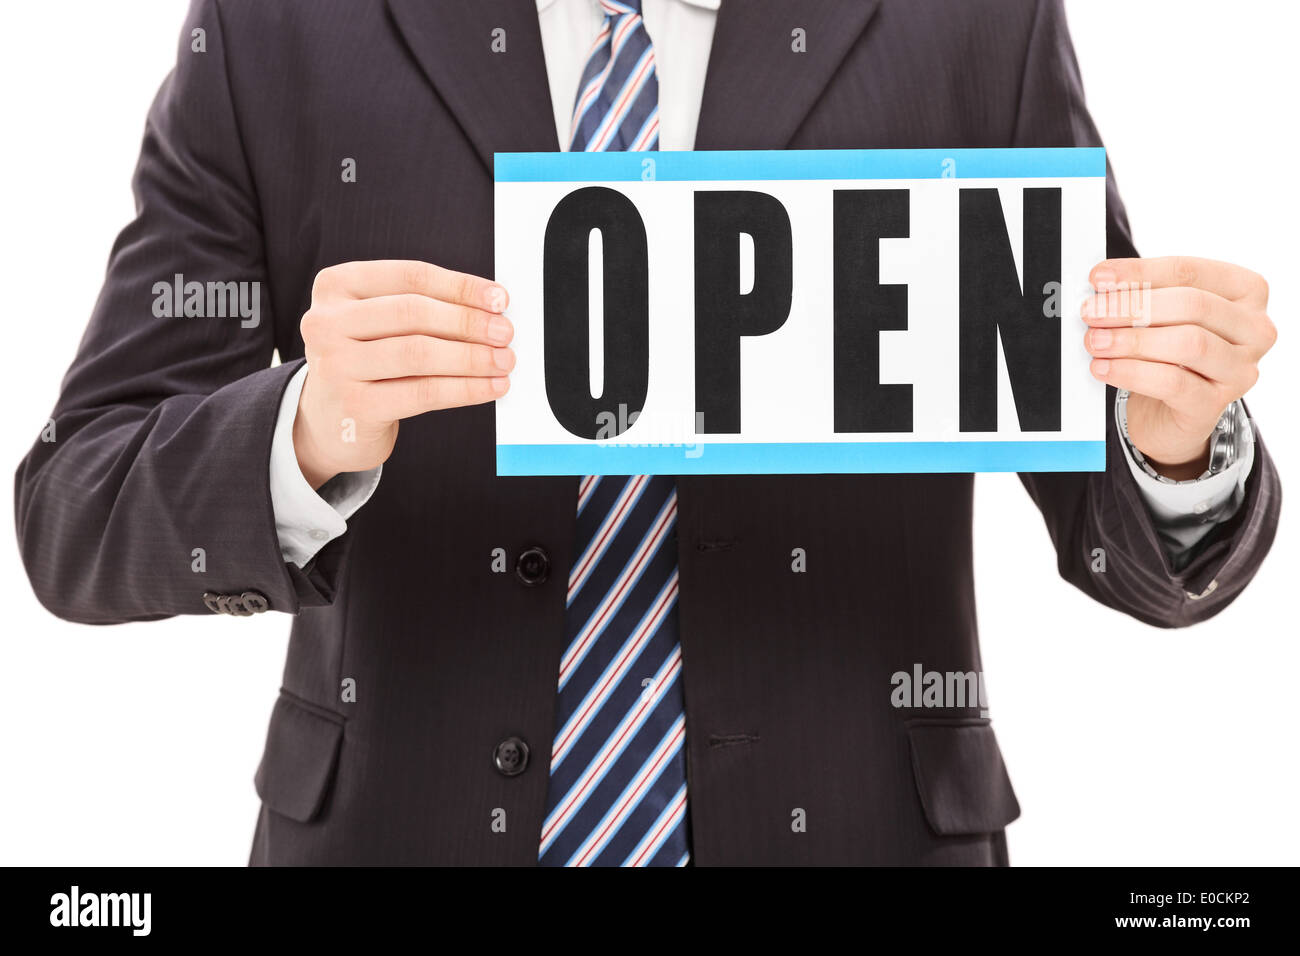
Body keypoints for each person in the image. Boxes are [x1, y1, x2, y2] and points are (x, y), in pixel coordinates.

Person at [15, 0, 1280, 866]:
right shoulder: (278, 27)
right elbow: (75, 508)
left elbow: (1128, 526)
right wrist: (301, 431)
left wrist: (1173, 444)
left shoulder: (970, 21)